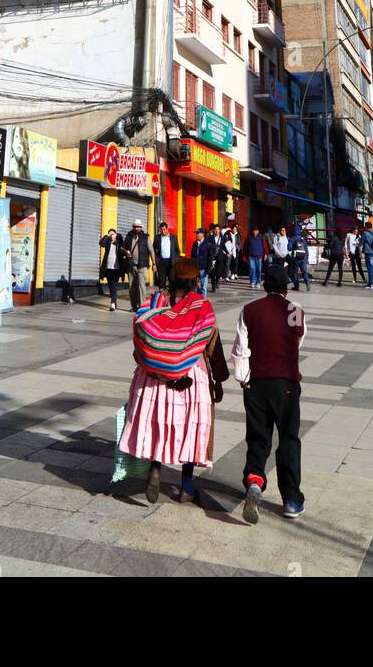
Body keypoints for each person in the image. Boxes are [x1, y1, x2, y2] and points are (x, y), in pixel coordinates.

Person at [119, 257, 229, 505]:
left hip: (156, 378)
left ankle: (155, 470)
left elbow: (141, 343)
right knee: (190, 428)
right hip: (191, 375)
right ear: (195, 281)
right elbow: (213, 345)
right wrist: (219, 379)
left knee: (160, 423)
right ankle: (187, 486)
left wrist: (150, 364)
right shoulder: (202, 307)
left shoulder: (155, 303)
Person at [232, 262, 306, 523]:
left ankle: (254, 480)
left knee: (258, 436)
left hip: (256, 385)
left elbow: (241, 349)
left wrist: (243, 378)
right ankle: (291, 500)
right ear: (286, 287)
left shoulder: (249, 310)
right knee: (288, 438)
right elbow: (296, 341)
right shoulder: (295, 311)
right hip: (286, 384)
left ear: (264, 285)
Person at [122, 220, 155, 312]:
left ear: (141, 227)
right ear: (133, 227)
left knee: (141, 287)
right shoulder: (129, 236)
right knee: (132, 288)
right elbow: (122, 247)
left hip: (142, 265)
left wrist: (154, 263)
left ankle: (142, 307)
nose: (137, 228)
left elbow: (151, 251)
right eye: (135, 226)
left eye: (139, 227)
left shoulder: (146, 237)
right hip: (131, 265)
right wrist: (126, 252)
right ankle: (134, 306)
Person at [99, 228, 123, 311]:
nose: (111, 235)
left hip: (116, 268)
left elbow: (121, 245)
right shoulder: (108, 242)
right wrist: (107, 236)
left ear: (116, 234)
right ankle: (114, 302)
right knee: (110, 285)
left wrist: (116, 237)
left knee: (114, 285)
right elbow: (101, 243)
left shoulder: (119, 242)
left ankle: (112, 303)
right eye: (110, 234)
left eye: (113, 234)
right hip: (108, 267)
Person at [153, 220, 180, 292]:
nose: (163, 231)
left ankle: (172, 298)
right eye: (161, 230)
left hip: (171, 262)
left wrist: (175, 260)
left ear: (167, 229)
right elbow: (153, 250)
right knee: (161, 282)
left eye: (164, 229)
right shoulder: (157, 238)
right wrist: (156, 262)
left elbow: (177, 251)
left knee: (172, 280)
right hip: (161, 262)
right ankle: (163, 299)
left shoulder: (174, 237)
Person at [190, 228, 217, 299]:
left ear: (202, 234)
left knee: (203, 287)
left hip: (203, 269)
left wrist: (208, 269)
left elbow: (210, 258)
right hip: (195, 269)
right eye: (196, 233)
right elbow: (192, 256)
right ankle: (196, 301)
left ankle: (203, 303)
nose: (196, 235)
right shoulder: (195, 244)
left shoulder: (207, 244)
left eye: (197, 233)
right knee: (195, 287)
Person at [287, 224, 311, 292]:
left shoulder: (293, 238)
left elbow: (289, 248)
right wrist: (306, 260)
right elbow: (306, 251)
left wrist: (289, 242)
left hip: (295, 259)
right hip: (303, 258)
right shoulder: (302, 239)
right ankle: (307, 281)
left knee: (294, 272)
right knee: (304, 272)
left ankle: (296, 286)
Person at [361, 221, 373, 290]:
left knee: (370, 268)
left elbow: (361, 242)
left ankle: (370, 284)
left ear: (366, 226)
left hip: (368, 252)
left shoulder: (365, 233)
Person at [209, 223, 226, 293]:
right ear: (213, 230)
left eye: (218, 229)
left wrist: (227, 252)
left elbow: (224, 246)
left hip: (220, 256)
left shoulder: (223, 237)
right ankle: (213, 286)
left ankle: (217, 280)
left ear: (220, 230)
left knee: (219, 272)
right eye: (215, 229)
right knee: (212, 272)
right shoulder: (210, 237)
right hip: (212, 256)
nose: (216, 231)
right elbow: (208, 246)